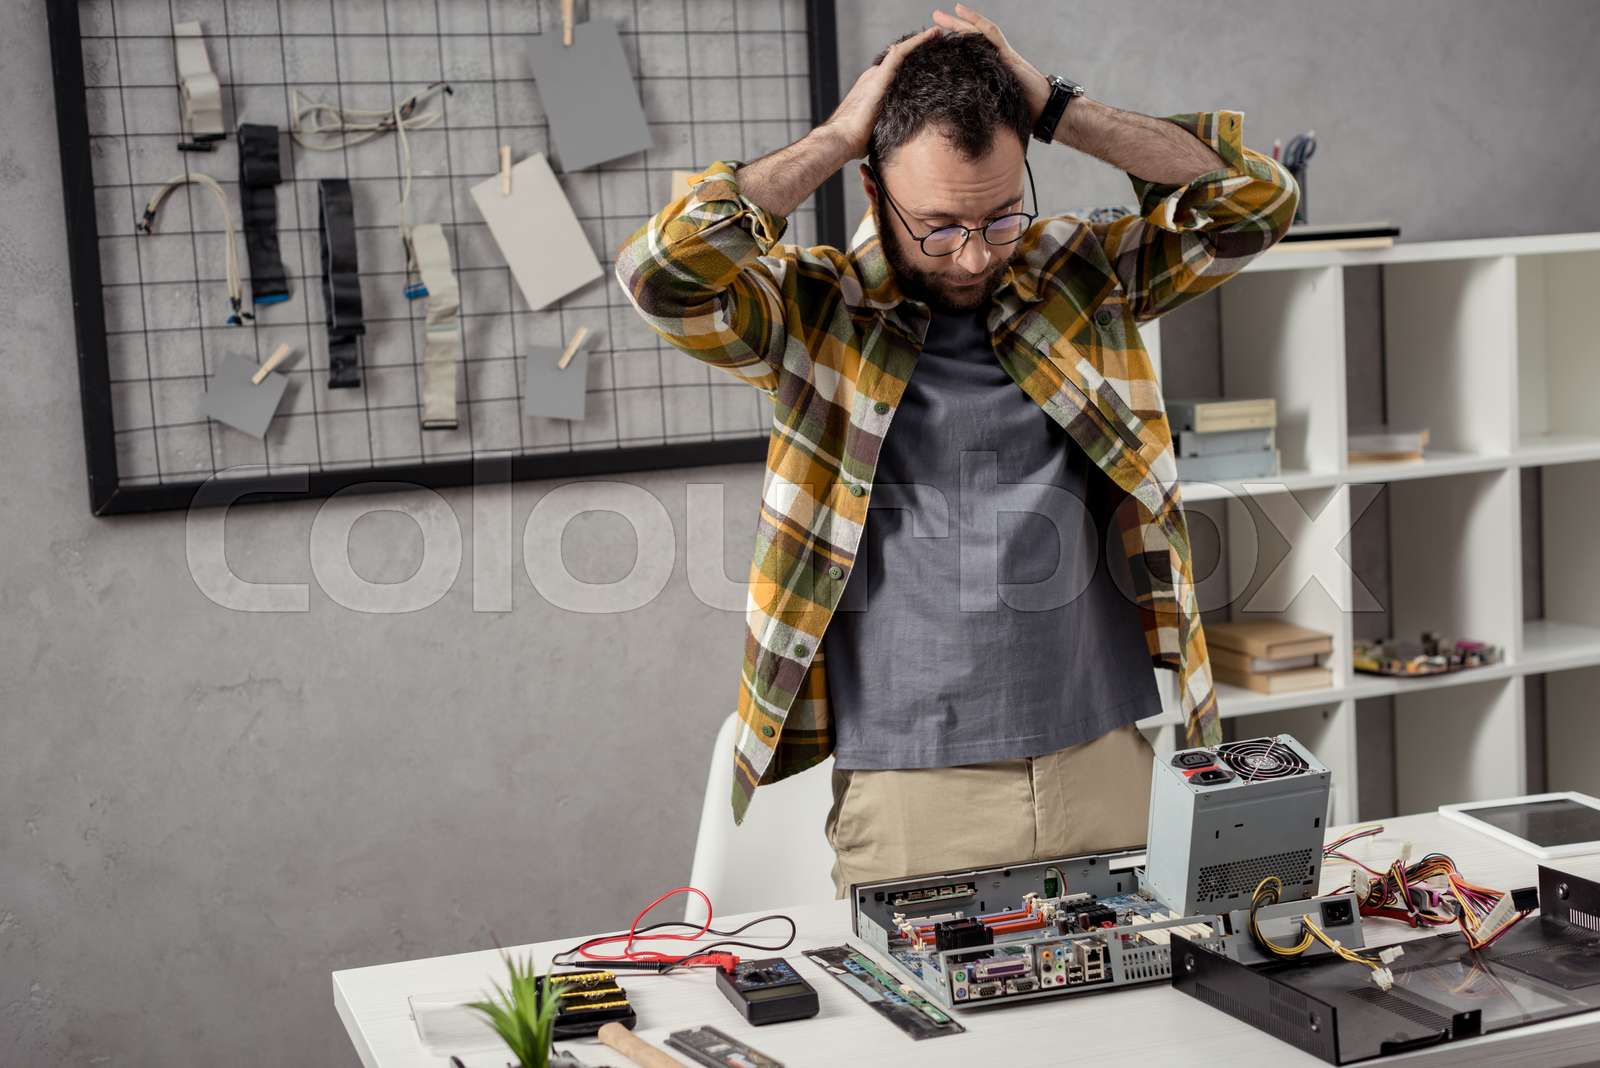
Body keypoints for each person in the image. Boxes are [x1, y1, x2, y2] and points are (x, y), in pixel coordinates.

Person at [615, 4, 1298, 896]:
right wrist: (834, 137)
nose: (975, 258)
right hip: (913, 781)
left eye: (1002, 218)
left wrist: (1055, 107)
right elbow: (659, 274)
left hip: (1102, 752)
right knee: (926, 1031)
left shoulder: (1078, 274)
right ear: (872, 191)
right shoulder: (813, 312)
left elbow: (1254, 202)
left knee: (1142, 1017)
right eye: (939, 226)